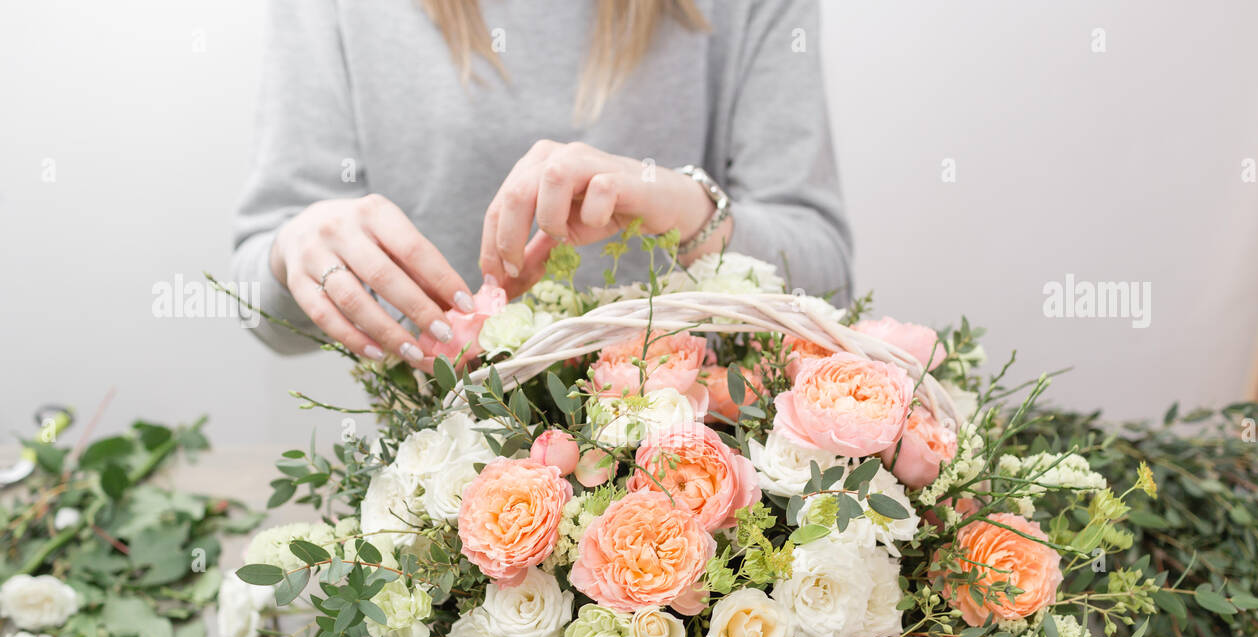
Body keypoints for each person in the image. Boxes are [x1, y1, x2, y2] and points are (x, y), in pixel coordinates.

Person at [232, 0, 852, 369]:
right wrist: (296, 252)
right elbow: (264, 312)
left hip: (689, 503)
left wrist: (691, 213)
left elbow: (829, 280)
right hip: (427, 520)